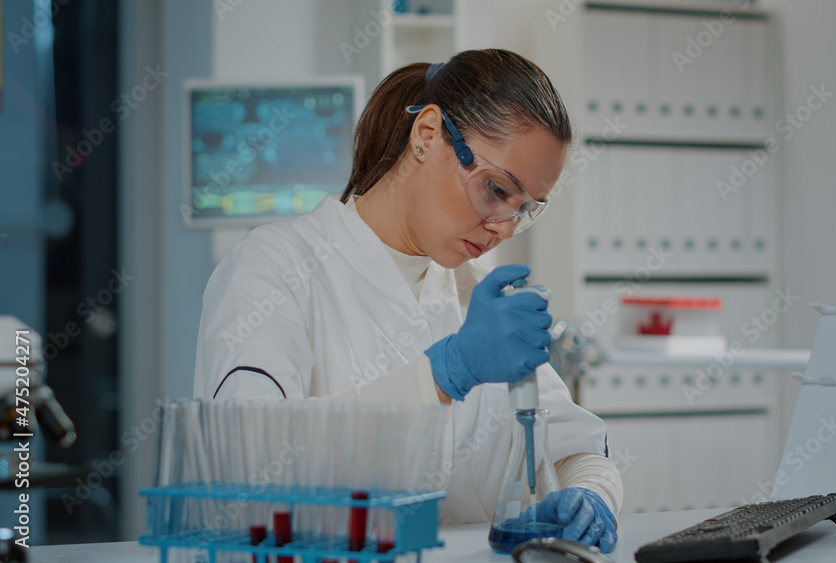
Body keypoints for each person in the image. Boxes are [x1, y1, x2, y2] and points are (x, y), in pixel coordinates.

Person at [193, 49, 623, 552]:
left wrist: (590, 494)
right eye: (495, 189)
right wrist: (440, 375)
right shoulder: (274, 266)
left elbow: (575, 447)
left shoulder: (478, 292)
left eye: (524, 209)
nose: (503, 228)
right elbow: (245, 469)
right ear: (428, 134)